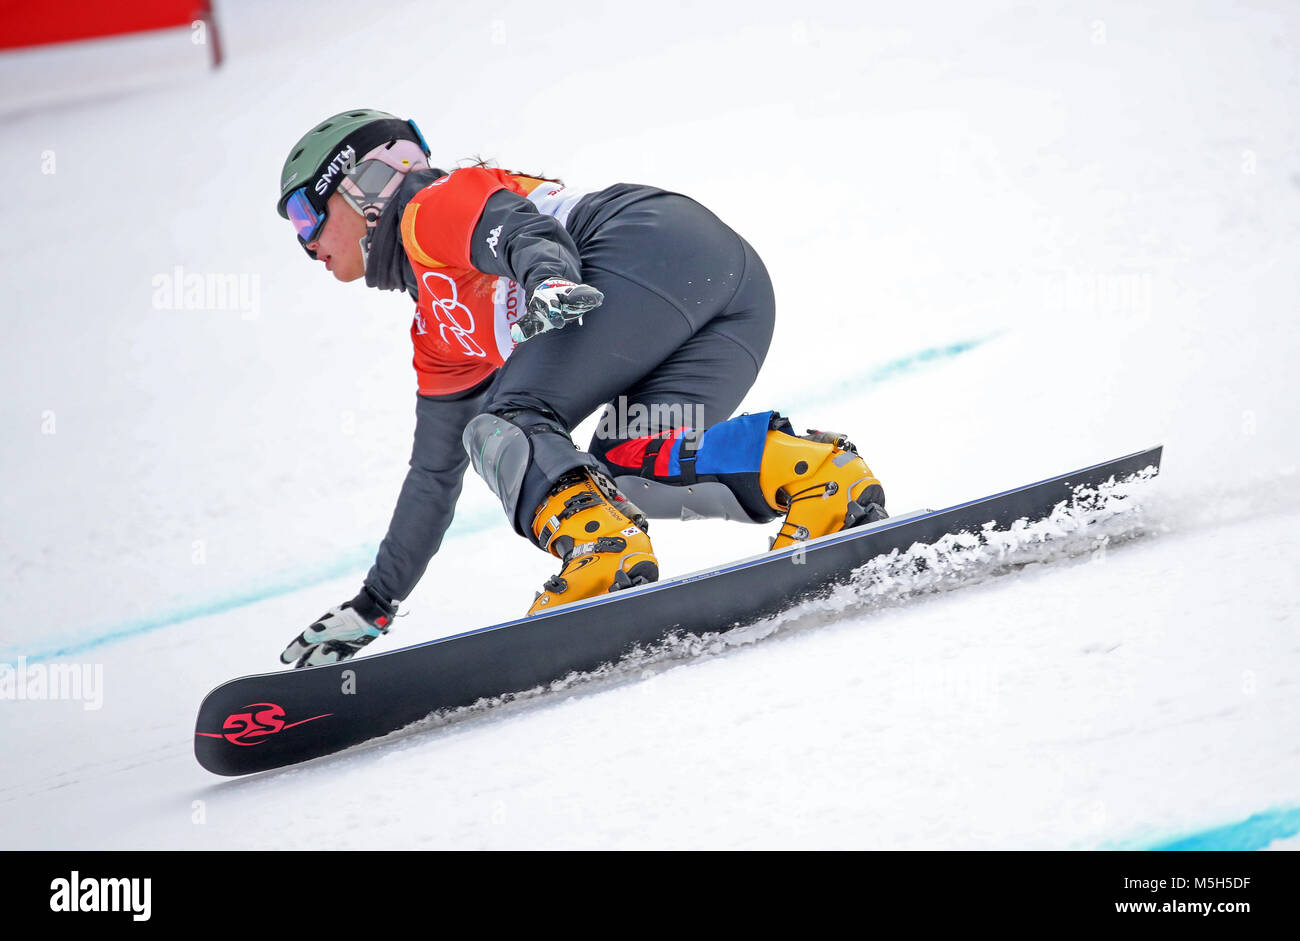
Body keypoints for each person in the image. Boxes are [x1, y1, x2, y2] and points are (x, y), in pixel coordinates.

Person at [275, 109, 886, 669]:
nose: (307, 246)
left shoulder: (427, 207)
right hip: (728, 289)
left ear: (361, 185)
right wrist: (377, 601)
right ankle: (818, 479)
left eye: (306, 215)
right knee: (624, 461)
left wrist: (548, 279)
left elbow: (511, 227)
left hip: (649, 242)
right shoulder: (440, 331)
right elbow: (433, 475)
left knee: (505, 423)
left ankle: (604, 554)